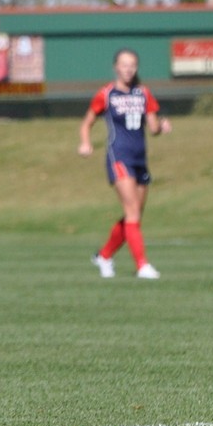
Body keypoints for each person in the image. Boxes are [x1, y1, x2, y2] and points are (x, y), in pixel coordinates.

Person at [78, 48, 169, 280]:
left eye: (132, 65)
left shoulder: (144, 93)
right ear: (116, 67)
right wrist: (85, 143)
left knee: (135, 214)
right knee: (132, 212)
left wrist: (162, 126)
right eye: (124, 64)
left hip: (140, 159)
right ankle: (142, 265)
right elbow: (86, 123)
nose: (128, 69)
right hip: (118, 156)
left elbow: (153, 127)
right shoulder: (107, 94)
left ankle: (104, 255)